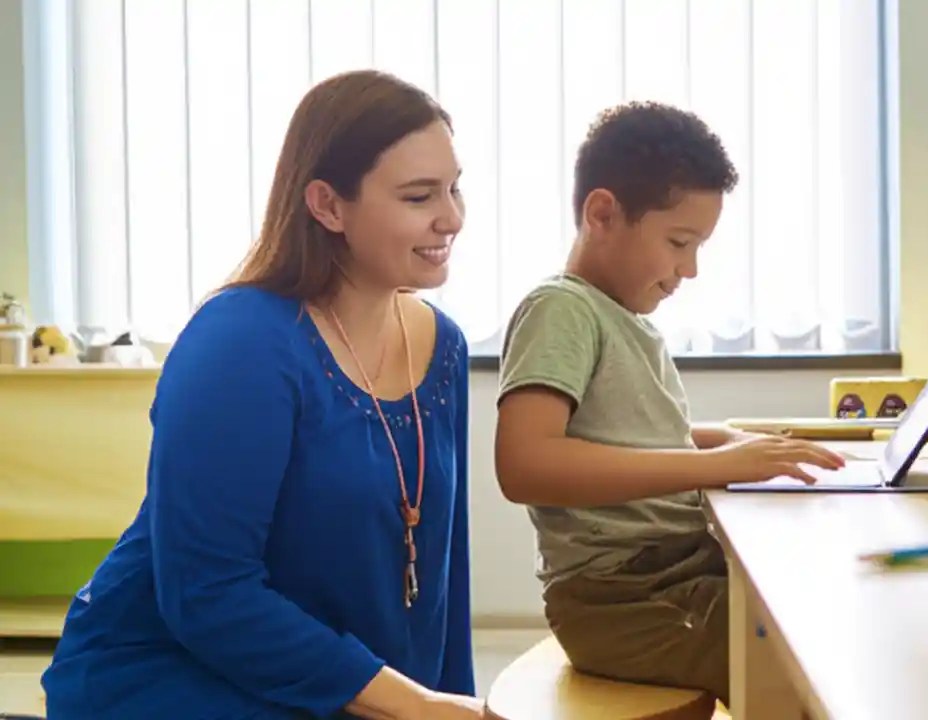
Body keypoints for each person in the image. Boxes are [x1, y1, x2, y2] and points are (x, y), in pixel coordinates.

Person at [41, 70, 483, 719]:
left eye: (454, 187)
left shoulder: (441, 346)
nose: (452, 218)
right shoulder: (240, 345)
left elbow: (440, 577)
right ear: (328, 205)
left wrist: (446, 702)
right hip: (167, 677)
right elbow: (207, 594)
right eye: (419, 196)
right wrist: (411, 704)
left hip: (339, 687)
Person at [493, 101, 845, 705]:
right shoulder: (563, 309)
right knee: (805, 661)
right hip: (623, 597)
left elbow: (630, 435)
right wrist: (715, 466)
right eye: (680, 242)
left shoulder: (620, 318)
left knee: (820, 605)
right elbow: (526, 464)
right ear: (602, 213)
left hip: (670, 574)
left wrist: (724, 440)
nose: (691, 268)